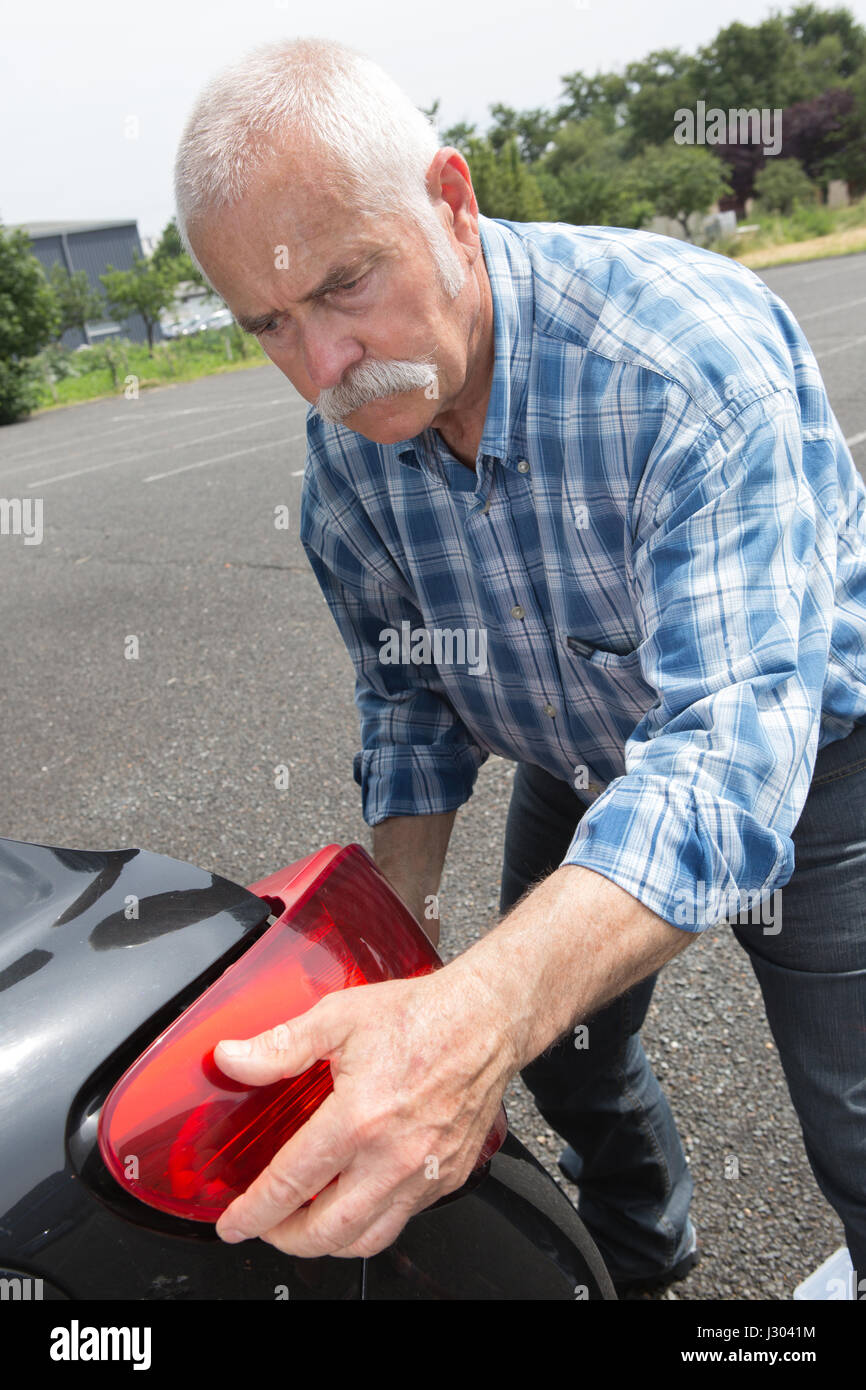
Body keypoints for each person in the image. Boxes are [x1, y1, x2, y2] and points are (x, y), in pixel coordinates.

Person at [173, 35, 866, 1294]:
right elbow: (405, 695)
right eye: (269, 324)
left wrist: (473, 1016)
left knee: (854, 1115)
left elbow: (728, 750)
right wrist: (400, 938)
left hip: (812, 752)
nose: (323, 366)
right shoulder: (349, 447)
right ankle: (642, 1262)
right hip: (581, 750)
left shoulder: (680, 367)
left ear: (449, 199)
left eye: (344, 284)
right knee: (568, 1053)